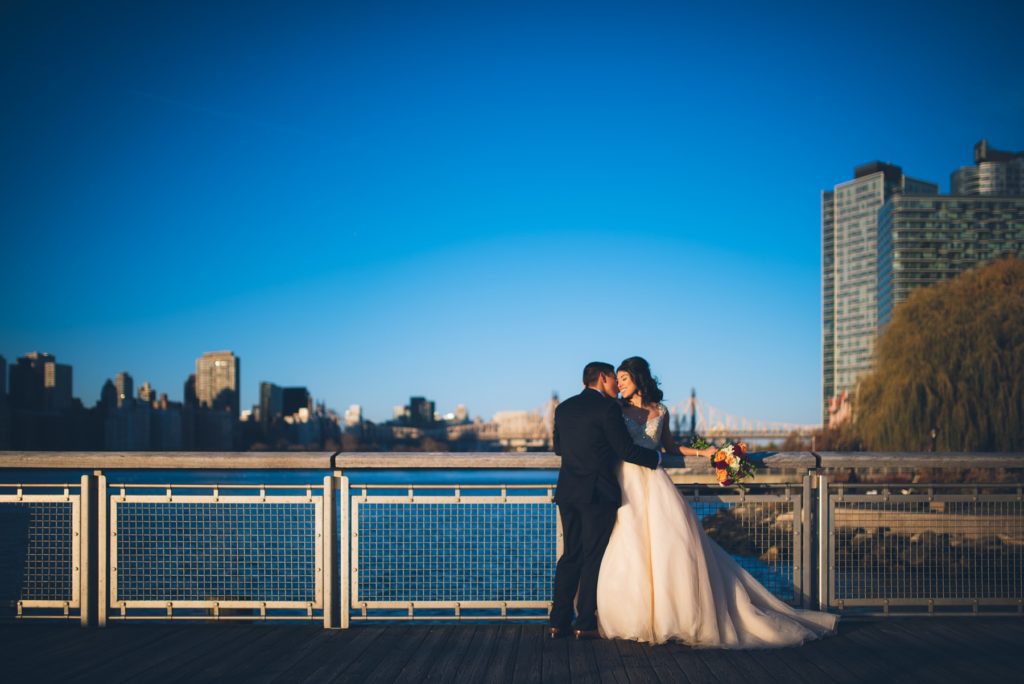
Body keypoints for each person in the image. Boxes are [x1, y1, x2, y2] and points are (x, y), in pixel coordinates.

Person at [596, 356, 838, 647]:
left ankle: (671, 618)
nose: (618, 383)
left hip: (655, 482)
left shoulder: (661, 411)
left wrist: (707, 452)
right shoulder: (615, 409)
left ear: (638, 378)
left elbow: (670, 447)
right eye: (617, 379)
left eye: (623, 378)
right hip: (625, 482)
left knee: (673, 547)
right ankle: (633, 617)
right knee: (630, 546)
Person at [549, 361, 661, 640]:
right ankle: (584, 622)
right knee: (592, 557)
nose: (617, 386)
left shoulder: (563, 408)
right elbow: (625, 449)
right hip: (597, 493)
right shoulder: (608, 408)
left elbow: (559, 448)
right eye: (614, 379)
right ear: (602, 378)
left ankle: (557, 621)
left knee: (570, 555)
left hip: (568, 492)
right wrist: (656, 458)